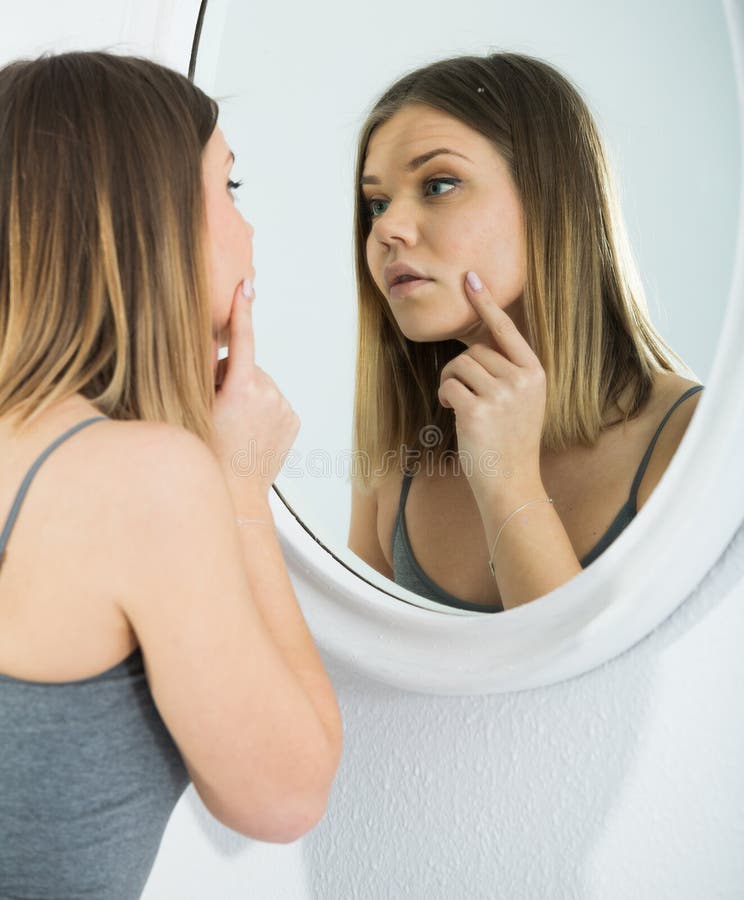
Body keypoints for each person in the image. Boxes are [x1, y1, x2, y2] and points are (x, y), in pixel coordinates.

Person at [0, 51, 342, 898]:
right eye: (229, 189)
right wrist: (238, 486)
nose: (250, 230)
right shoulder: (137, 483)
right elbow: (286, 794)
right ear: (142, 217)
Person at [347, 52, 704, 614]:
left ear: (550, 199)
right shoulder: (399, 457)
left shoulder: (692, 445)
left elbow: (589, 701)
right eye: (377, 203)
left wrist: (509, 482)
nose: (387, 228)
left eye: (438, 184)